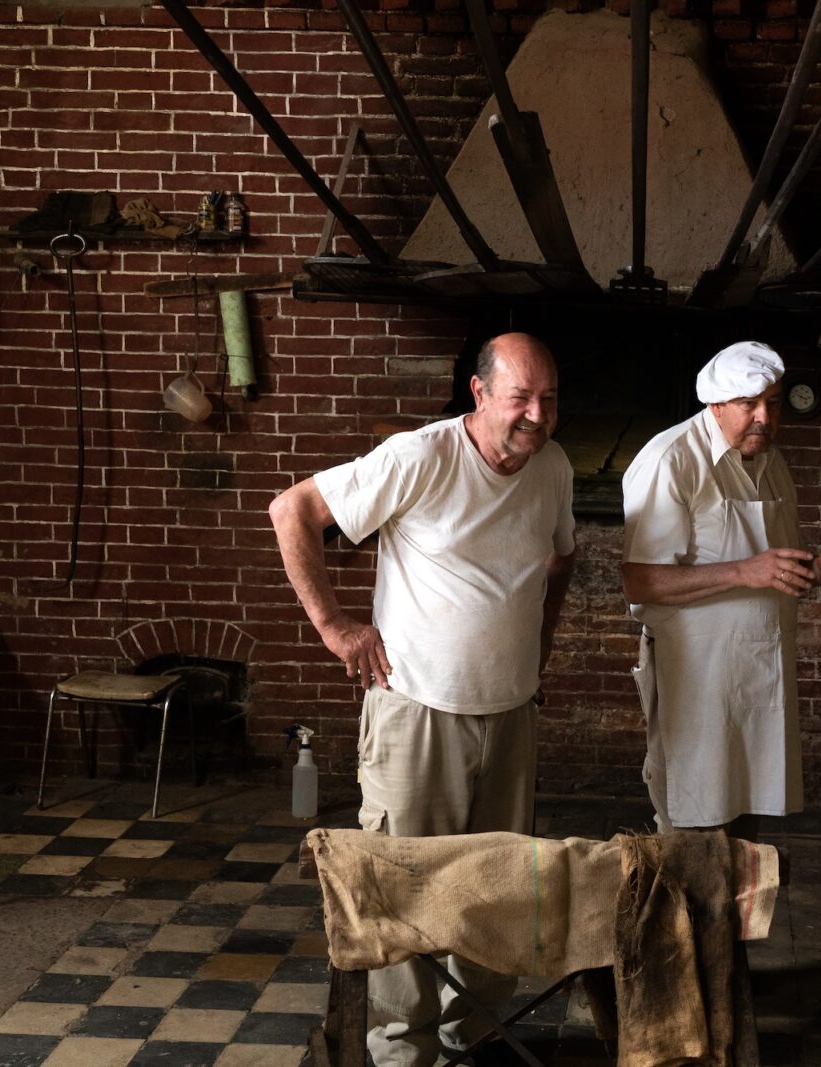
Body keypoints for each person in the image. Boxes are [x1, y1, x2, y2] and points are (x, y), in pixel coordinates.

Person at [268, 332, 576, 1067]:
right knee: (404, 885)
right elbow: (293, 509)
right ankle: (402, 1048)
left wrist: (539, 642)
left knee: (495, 885)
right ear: (478, 394)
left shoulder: (554, 467)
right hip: (417, 714)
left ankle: (475, 1035)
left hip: (509, 714)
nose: (537, 415)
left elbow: (562, 556)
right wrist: (337, 627)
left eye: (550, 400)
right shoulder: (422, 457)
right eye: (520, 398)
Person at [621, 340, 821, 834]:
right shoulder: (671, 460)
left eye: (772, 404)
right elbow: (639, 581)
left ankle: (737, 913)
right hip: (696, 676)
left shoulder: (770, 461)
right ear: (715, 404)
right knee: (693, 827)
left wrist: (819, 571)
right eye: (748, 405)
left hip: (758, 672)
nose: (764, 418)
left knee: (747, 825)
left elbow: (777, 564)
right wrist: (742, 571)